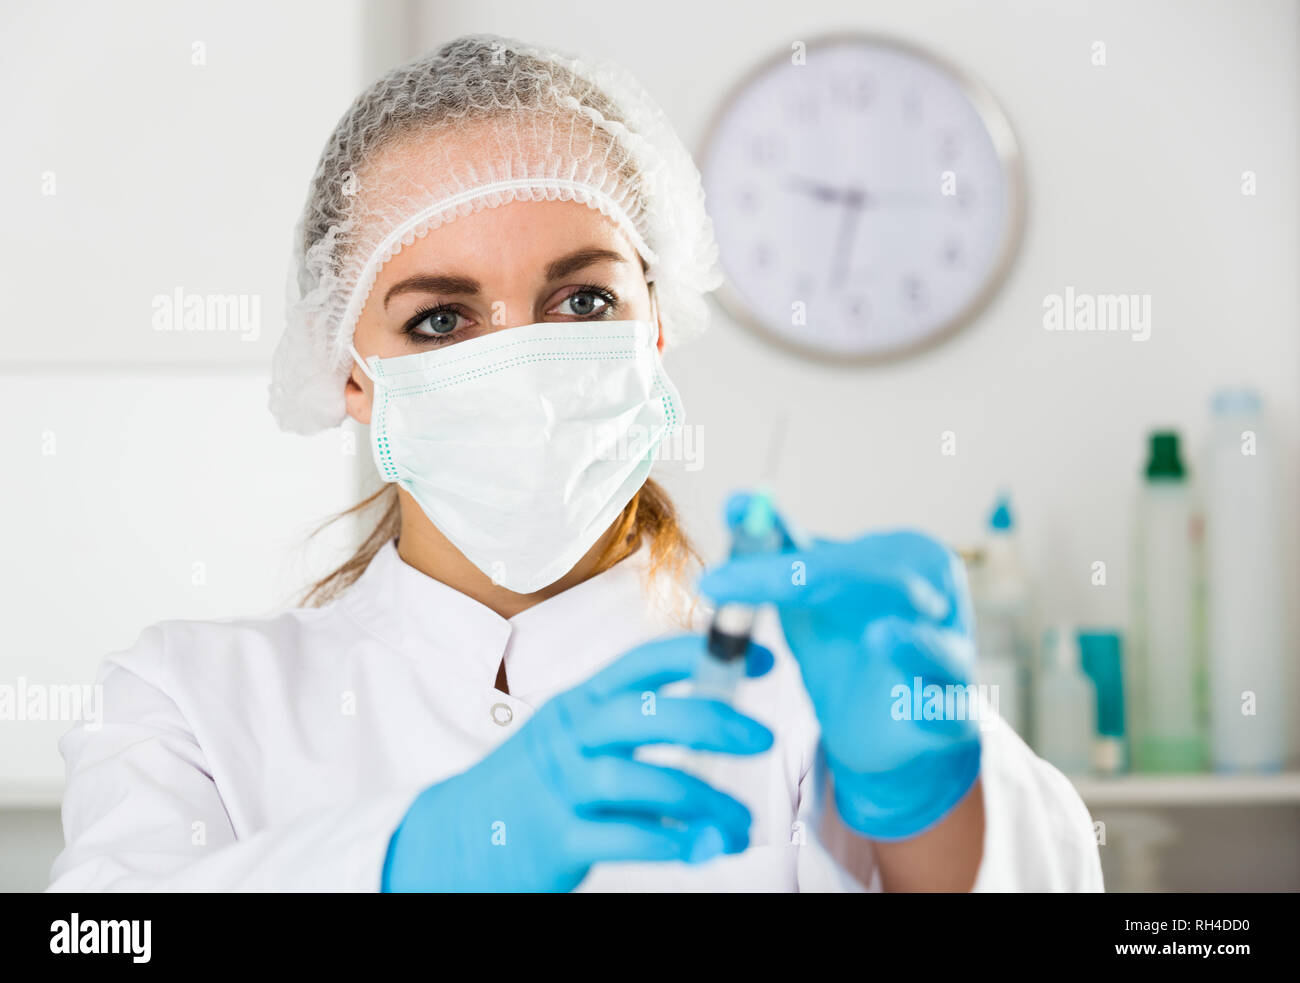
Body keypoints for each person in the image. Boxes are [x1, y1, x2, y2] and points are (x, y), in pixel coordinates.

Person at [48, 33, 1101, 892]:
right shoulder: (193, 702)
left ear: (655, 327)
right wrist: (422, 860)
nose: (518, 355)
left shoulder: (803, 695)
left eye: (581, 300)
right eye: (441, 318)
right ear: (350, 370)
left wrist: (932, 799)